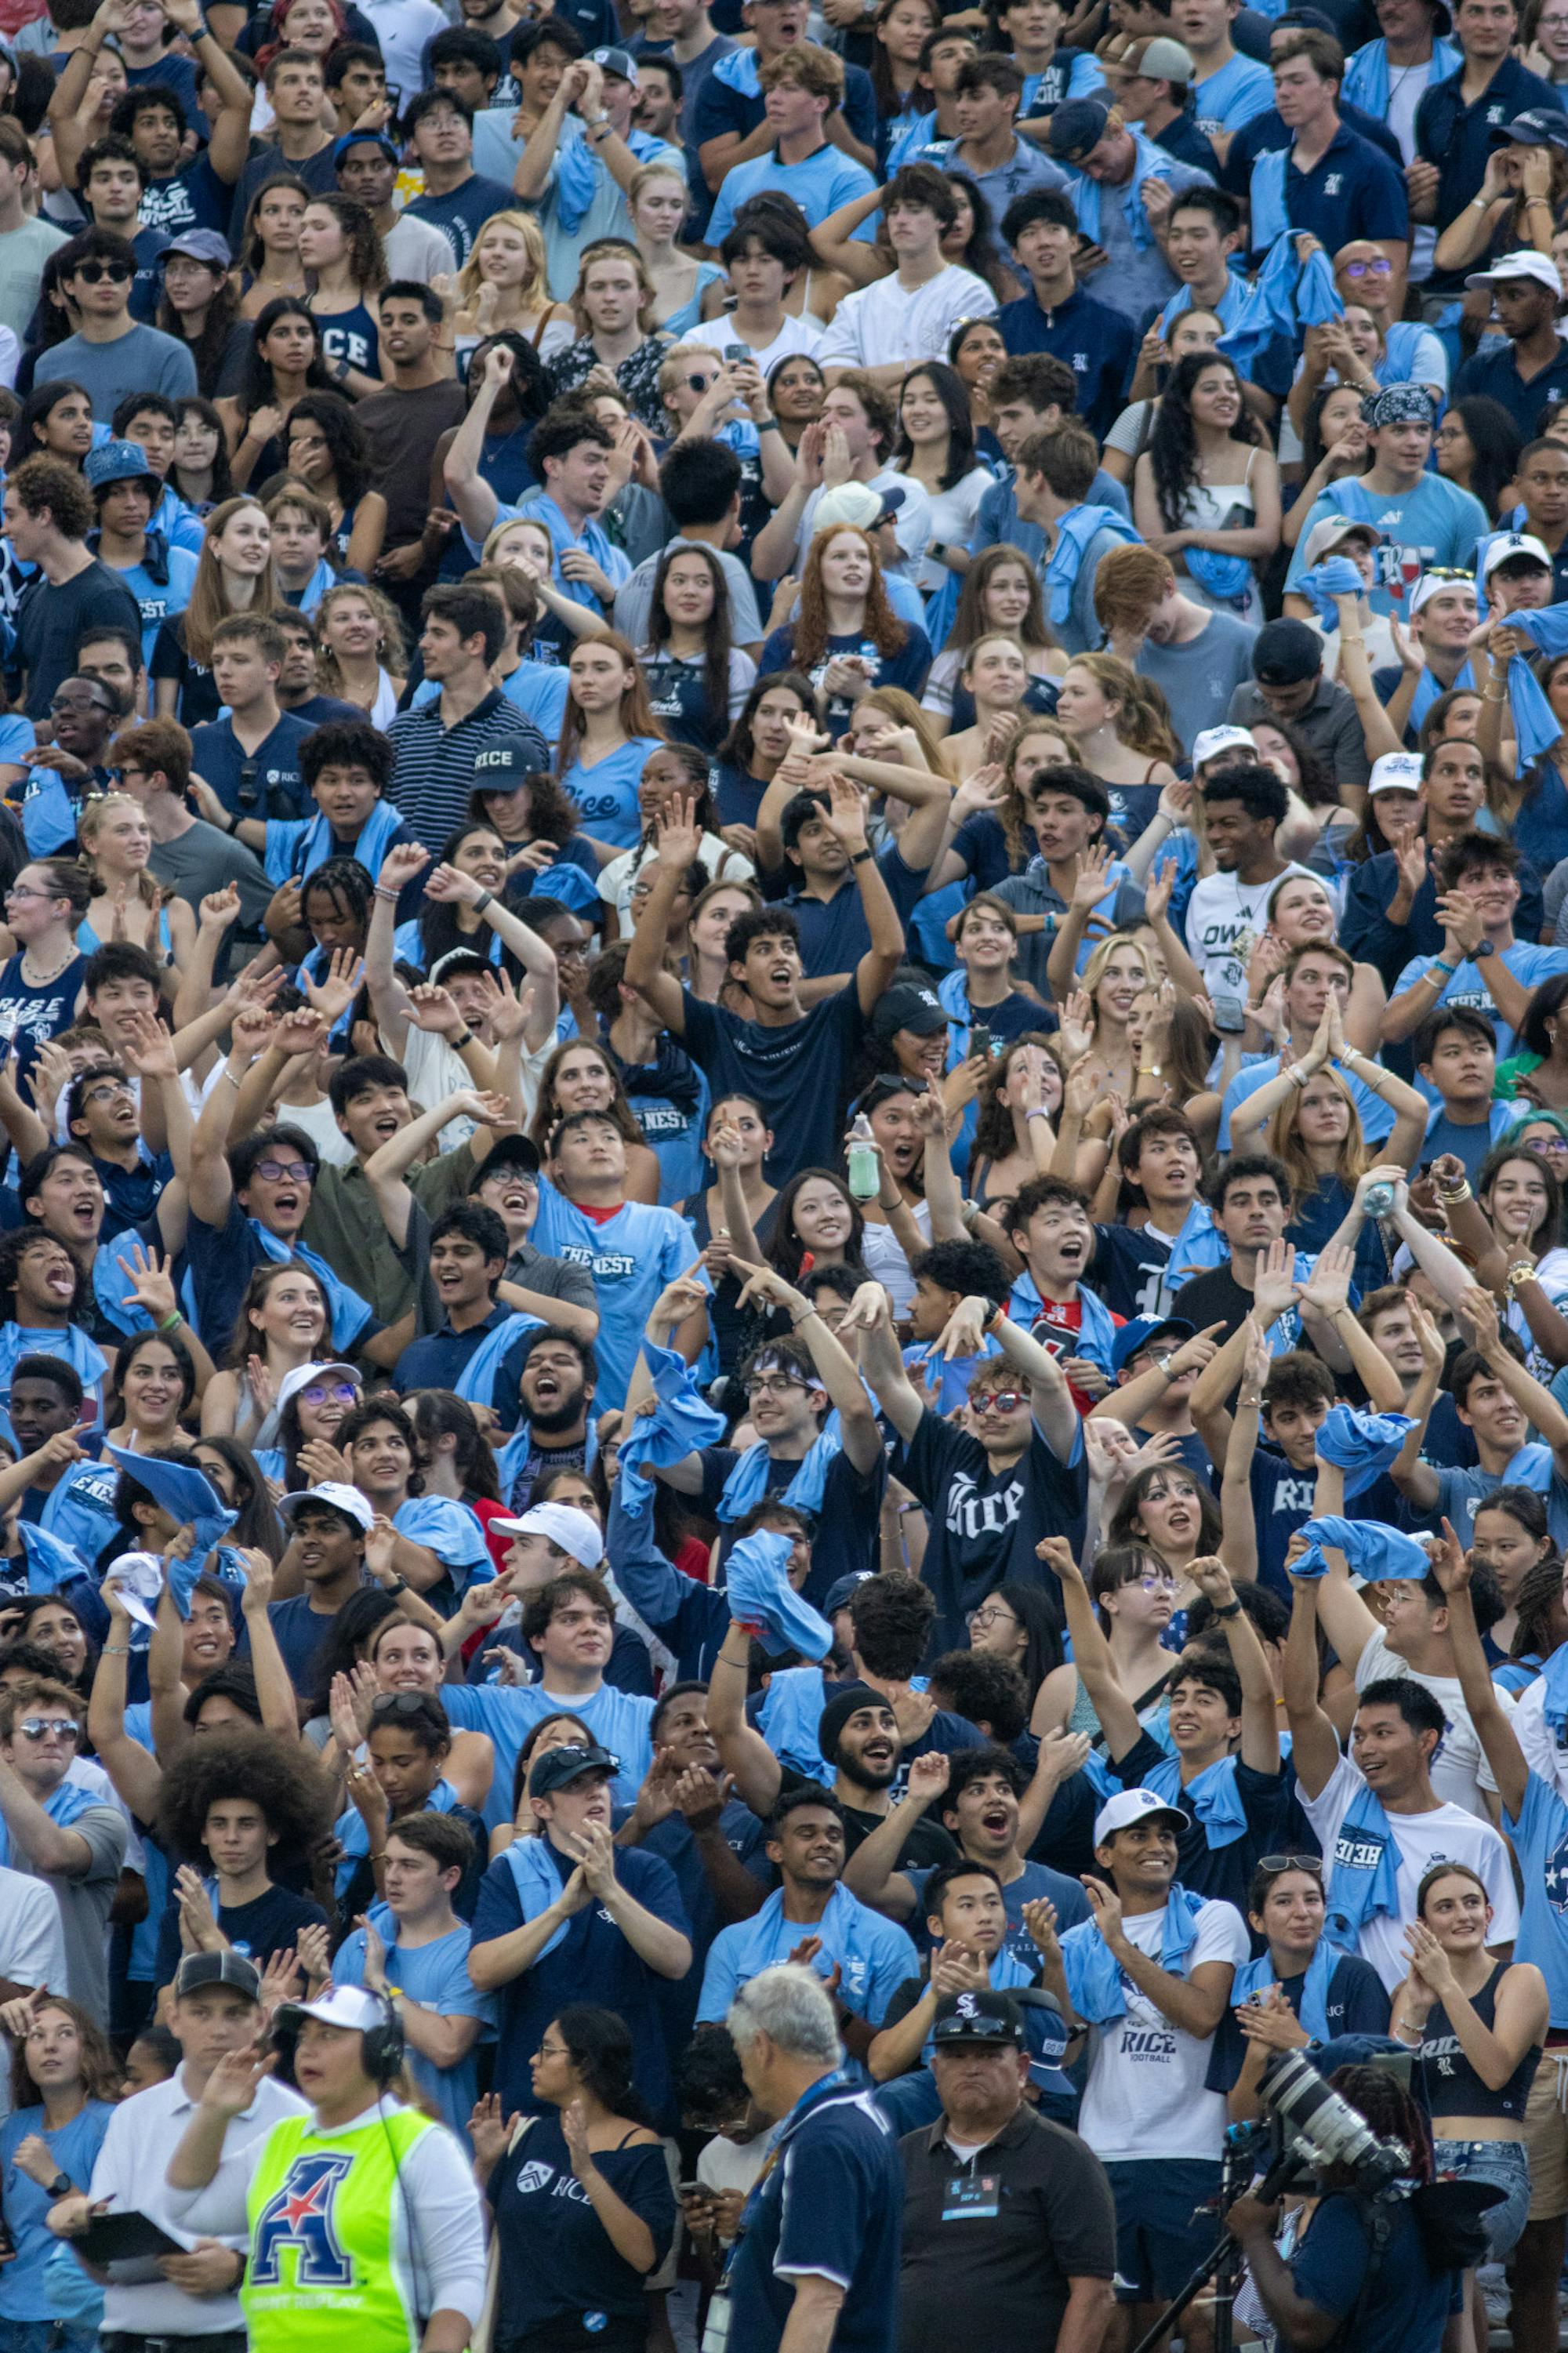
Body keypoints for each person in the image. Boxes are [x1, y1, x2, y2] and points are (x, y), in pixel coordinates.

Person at [160, 1981, 487, 2353]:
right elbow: (184, 2208)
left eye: (329, 2035)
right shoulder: (279, 2140)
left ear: (379, 2052)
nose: (308, 2049)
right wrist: (213, 2113)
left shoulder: (423, 2144)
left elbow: (460, 2276)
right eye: (304, 2037)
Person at [1051, 1785, 1249, 2353]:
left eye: (1165, 1835)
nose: (1158, 1845)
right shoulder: (1077, 1940)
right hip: (1104, 2150)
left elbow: (1201, 2014)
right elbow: (1066, 2052)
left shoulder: (1214, 1917)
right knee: (1113, 2324)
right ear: (1105, 1854)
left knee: (1196, 2318)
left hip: (1193, 2149)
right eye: (1138, 1835)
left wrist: (1118, 1943)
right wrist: (1052, 1962)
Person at [46, 1952, 307, 2350]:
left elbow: (324, 2251)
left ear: (260, 2021)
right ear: (174, 2019)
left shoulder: (296, 2119)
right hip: (131, 2338)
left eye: (235, 2013)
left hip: (238, 2340)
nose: (218, 2030)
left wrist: (239, 2270)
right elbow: (105, 2268)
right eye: (201, 2013)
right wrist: (78, 2229)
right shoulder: (133, 2114)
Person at [467, 1739, 692, 2122]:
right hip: (535, 2104)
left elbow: (677, 1962)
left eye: (600, 1782)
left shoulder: (646, 1869)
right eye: (574, 1785)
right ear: (542, 1807)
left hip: (632, 2103)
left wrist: (611, 1892)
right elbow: (482, 1971)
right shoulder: (511, 1871)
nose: (594, 1793)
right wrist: (560, 1911)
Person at [895, 1985, 1117, 2353]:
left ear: (1022, 2068)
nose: (971, 2068)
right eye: (955, 2055)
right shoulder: (904, 2156)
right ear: (935, 2069)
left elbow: (1094, 2294)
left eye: (988, 2055)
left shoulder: (1065, 2158)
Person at [471, 2002, 677, 2352]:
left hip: (599, 2339)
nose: (533, 2060)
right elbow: (470, 2234)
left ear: (585, 2065)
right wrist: (484, 2164)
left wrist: (586, 2171)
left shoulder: (640, 2148)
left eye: (548, 2050)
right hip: (519, 2340)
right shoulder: (532, 2135)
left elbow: (645, 2257)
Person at [722, 1963, 904, 2353]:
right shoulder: (855, 2116)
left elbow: (820, 2300)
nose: (744, 2076)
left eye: (739, 2054)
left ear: (761, 2046)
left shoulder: (824, 2142)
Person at [0, 1992, 118, 2353]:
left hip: (77, 2321)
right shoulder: (14, 2127)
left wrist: (55, 2179)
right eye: (37, 2036)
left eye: (65, 2034)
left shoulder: (111, 2123)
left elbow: (116, 2231)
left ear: (88, 2049)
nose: (50, 2045)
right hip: (10, 2315)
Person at [5, 457, 143, 721]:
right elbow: (28, 697)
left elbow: (128, 700)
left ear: (44, 516)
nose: (5, 528)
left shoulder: (106, 597)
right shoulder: (34, 597)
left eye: (12, 515)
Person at [34, 228, 197, 419]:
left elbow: (179, 431)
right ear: (69, 285)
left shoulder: (171, 356)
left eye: (117, 272)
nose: (106, 280)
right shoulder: (49, 365)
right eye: (91, 272)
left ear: (130, 282)